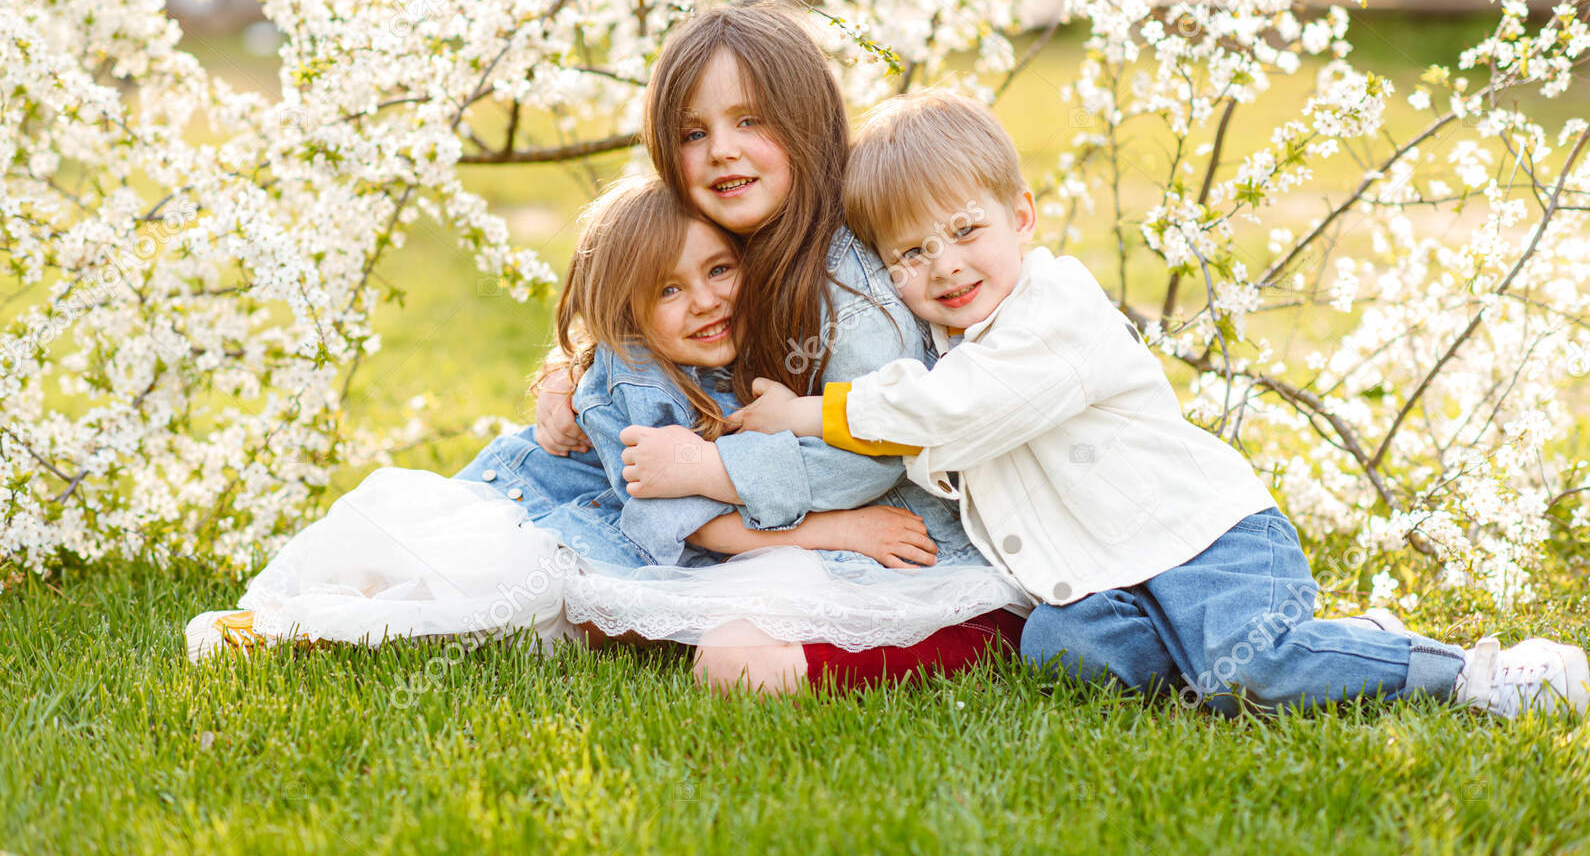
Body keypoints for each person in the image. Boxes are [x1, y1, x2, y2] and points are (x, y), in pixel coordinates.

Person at [717, 88, 1590, 719]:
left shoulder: (1052, 312)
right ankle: (1287, 654)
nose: (942, 265)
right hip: (1105, 578)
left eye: (965, 231)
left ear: (1022, 215)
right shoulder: (948, 344)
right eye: (908, 253)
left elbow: (952, 414)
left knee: (1258, 669)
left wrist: (809, 413)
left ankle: (1472, 674)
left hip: (1203, 539)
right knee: (1064, 648)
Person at [184, 175, 1023, 668]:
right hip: (549, 510)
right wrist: (835, 529)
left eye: (720, 269)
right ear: (626, 307)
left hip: (601, 511)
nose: (705, 301)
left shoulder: (743, 347)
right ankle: (301, 630)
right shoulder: (637, 384)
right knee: (482, 593)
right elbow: (681, 522)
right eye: (667, 289)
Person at [526, 2, 1031, 692]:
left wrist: (712, 470)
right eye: (693, 132)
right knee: (581, 589)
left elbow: (871, 450)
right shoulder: (733, 224)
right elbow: (642, 310)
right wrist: (571, 375)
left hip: (894, 523)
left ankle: (953, 641)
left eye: (749, 121)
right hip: (784, 508)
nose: (721, 150)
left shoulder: (851, 288)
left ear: (809, 124)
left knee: (738, 654)